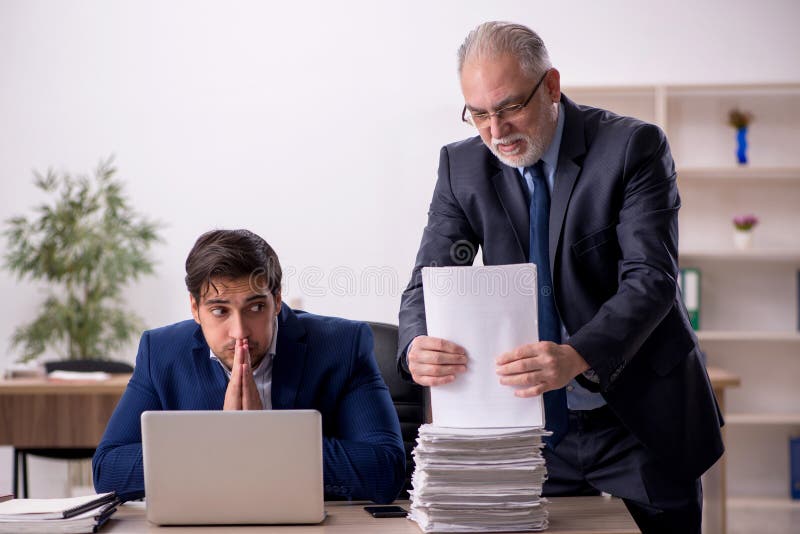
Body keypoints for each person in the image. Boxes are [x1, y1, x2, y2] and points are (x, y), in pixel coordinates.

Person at [398, 21, 723, 533]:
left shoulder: (631, 147)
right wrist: (415, 341)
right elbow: (430, 276)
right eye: (478, 114)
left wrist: (576, 356)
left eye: (508, 107)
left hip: (636, 420)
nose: (495, 131)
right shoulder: (462, 167)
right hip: (532, 431)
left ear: (550, 86)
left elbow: (651, 280)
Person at [93, 229, 405, 504]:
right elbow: (108, 470)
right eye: (219, 311)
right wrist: (220, 439)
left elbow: (385, 470)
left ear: (278, 300)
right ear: (195, 309)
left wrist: (266, 437)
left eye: (255, 307)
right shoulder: (161, 352)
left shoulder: (342, 347)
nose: (240, 331)